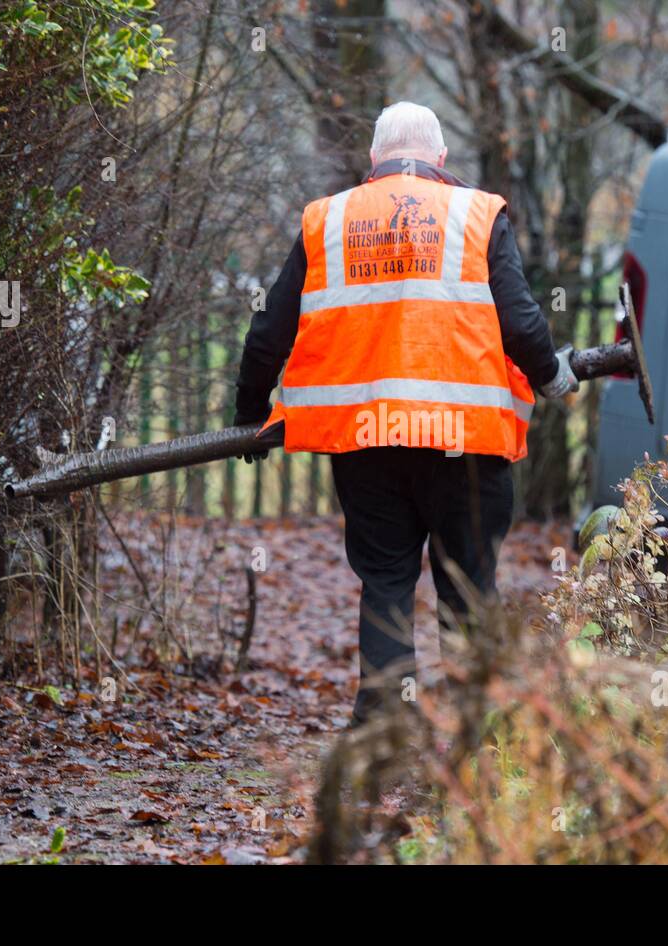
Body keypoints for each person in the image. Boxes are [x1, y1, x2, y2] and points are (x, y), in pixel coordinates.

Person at [234, 101, 576, 725]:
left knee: (387, 581)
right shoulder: (477, 213)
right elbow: (522, 323)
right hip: (464, 445)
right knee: (468, 586)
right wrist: (553, 376)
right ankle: (480, 732)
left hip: (369, 446)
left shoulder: (327, 220)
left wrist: (248, 412)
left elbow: (268, 333)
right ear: (441, 159)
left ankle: (385, 728)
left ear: (374, 159)